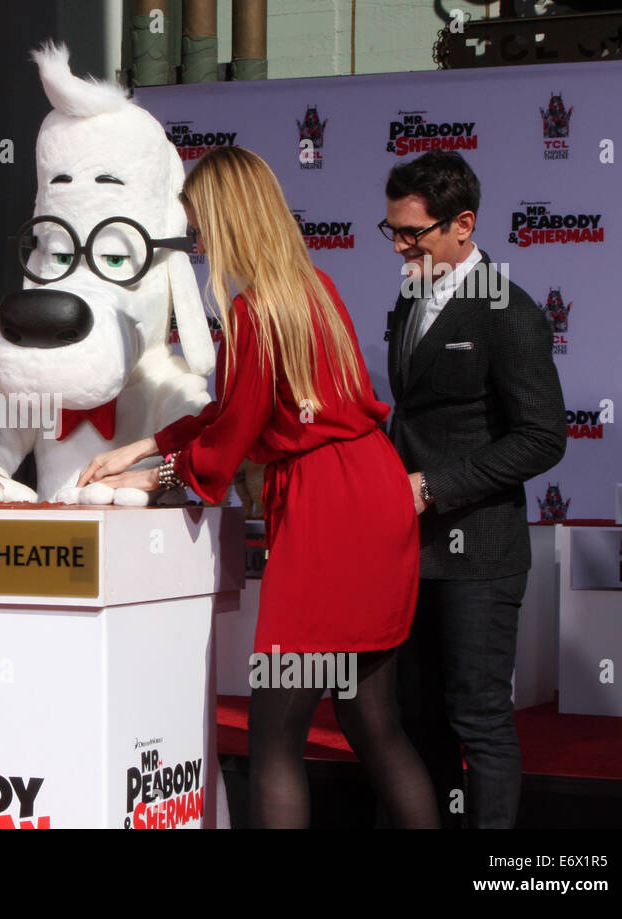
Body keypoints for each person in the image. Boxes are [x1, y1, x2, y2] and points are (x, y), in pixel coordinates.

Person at [79, 145, 438, 828]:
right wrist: (149, 442)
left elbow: (229, 442)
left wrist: (154, 474)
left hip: (326, 517)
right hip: (375, 496)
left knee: (274, 738)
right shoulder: (315, 289)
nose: (198, 242)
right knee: (376, 726)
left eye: (201, 227)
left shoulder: (253, 311)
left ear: (228, 220)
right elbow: (240, 410)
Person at [381, 151, 566, 828]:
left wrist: (434, 484)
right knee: (418, 716)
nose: (400, 248)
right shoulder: (407, 297)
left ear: (463, 224)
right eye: (391, 230)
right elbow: (414, 416)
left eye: (413, 233)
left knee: (479, 719)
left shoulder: (508, 311)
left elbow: (543, 437)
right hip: (410, 551)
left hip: (480, 556)